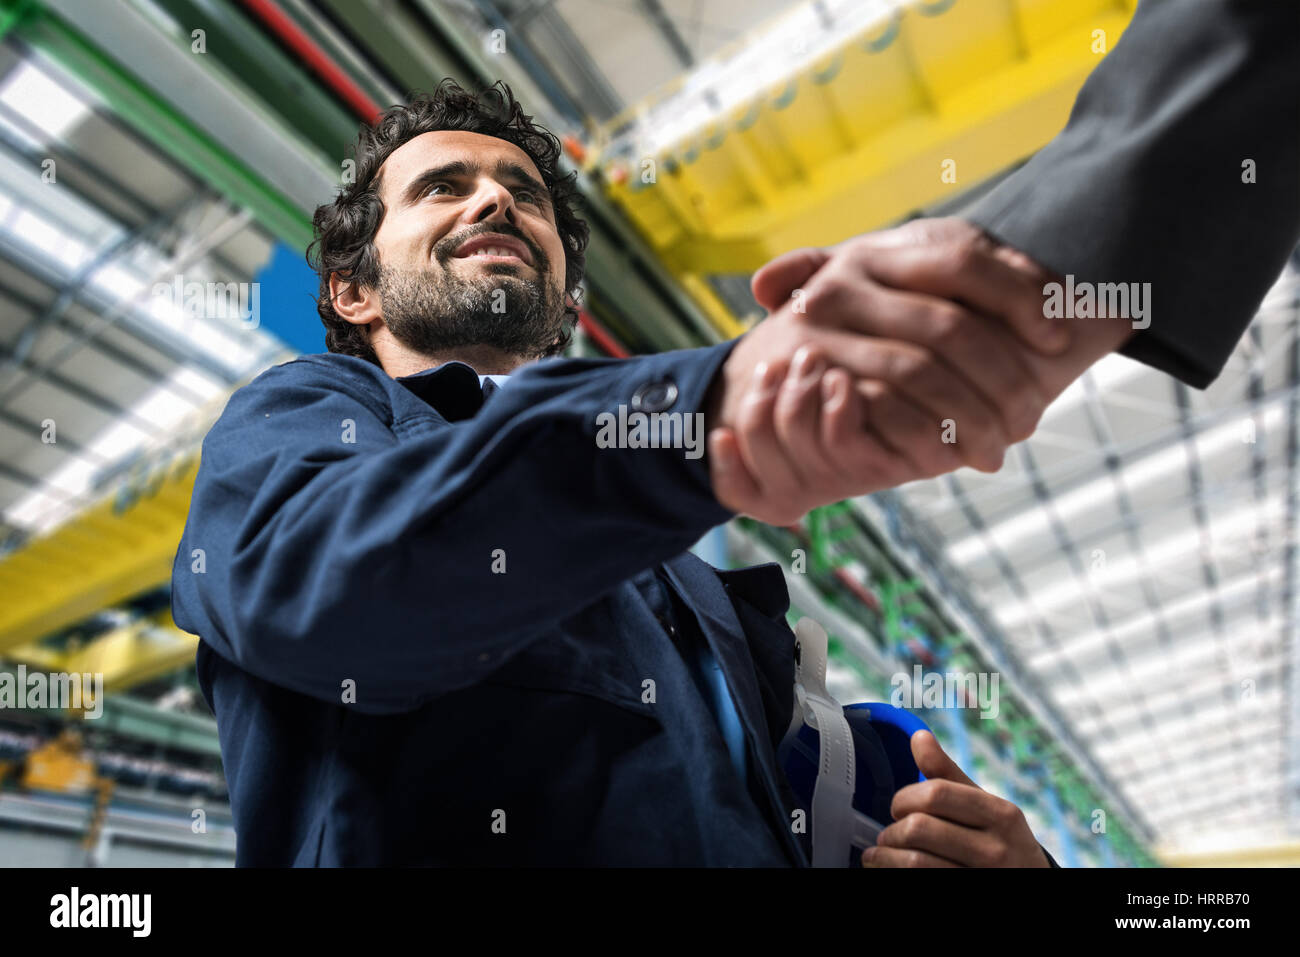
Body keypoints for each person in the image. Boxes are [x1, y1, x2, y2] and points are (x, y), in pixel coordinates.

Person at [171, 79, 1057, 867]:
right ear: (351, 293)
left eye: (525, 195)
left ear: (561, 302)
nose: (496, 202)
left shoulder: (692, 582)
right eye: (445, 186)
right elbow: (325, 596)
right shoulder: (298, 423)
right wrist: (711, 411)